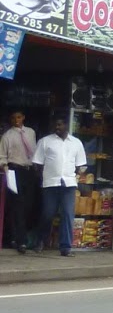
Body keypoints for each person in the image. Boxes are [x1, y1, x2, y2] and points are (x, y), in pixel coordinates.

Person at [32, 115, 88, 256]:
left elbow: (81, 165)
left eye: (60, 125)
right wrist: (44, 177)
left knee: (68, 214)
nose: (57, 128)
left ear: (67, 126)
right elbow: (37, 163)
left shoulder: (76, 143)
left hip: (68, 184)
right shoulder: (45, 141)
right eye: (55, 125)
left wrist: (75, 175)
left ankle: (65, 247)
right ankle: (40, 241)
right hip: (50, 184)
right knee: (48, 214)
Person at [0, 109, 38, 252]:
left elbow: (34, 152)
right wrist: (6, 171)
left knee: (28, 205)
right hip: (14, 170)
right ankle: (21, 241)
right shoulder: (7, 136)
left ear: (23, 118)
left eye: (19, 117)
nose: (16, 120)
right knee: (18, 205)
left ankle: (17, 237)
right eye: (13, 117)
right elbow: (2, 156)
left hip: (29, 170)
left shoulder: (30, 132)